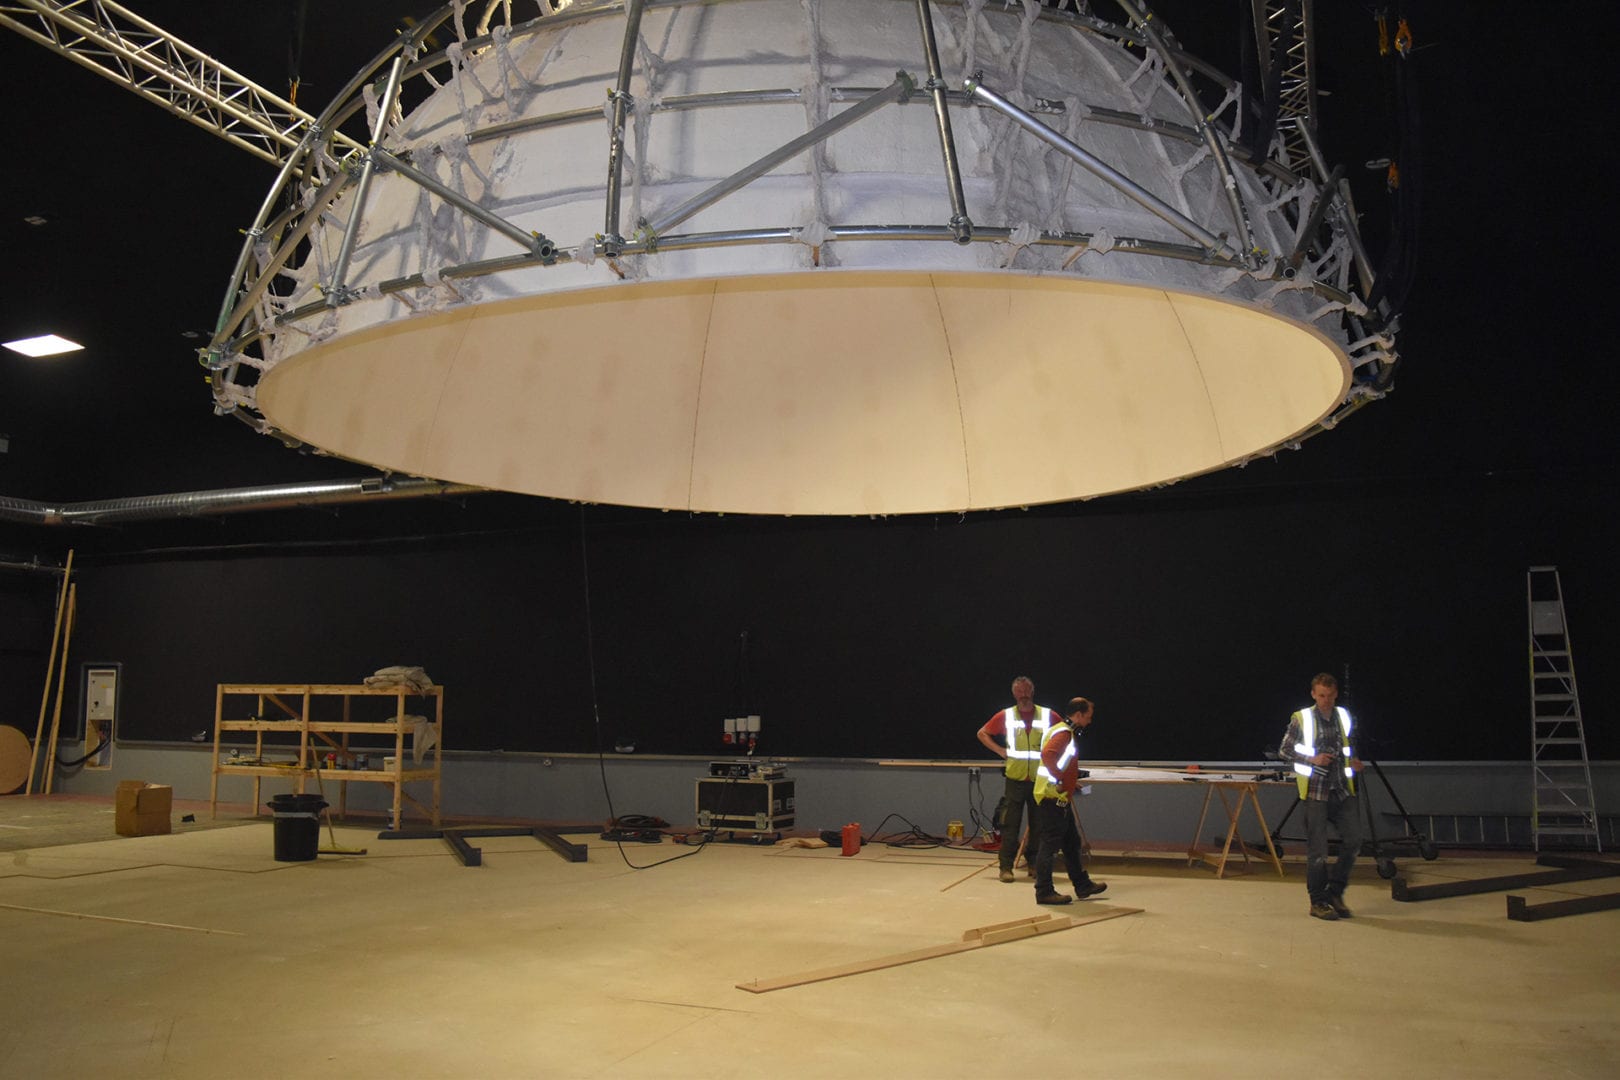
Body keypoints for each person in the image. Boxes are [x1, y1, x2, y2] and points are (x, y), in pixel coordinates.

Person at [1278, 672, 1364, 920]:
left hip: (1342, 789)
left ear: (1335, 695)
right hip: (1316, 792)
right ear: (1313, 694)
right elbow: (1284, 749)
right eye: (1321, 695)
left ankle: (1334, 892)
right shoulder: (1302, 719)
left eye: (1330, 696)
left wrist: (1353, 761)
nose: (1326, 700)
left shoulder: (1343, 717)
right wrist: (1312, 759)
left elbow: (1347, 747)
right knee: (1318, 852)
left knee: (1354, 841)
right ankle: (1318, 902)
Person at [1030, 697, 1108, 904]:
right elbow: (1048, 755)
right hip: (1052, 797)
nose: (1090, 721)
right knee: (1049, 846)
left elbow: (1062, 762)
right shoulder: (1064, 733)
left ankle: (1082, 886)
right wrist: (1061, 781)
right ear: (1079, 714)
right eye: (1088, 717)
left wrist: (1071, 783)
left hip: (1057, 797)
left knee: (1072, 843)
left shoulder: (1061, 730)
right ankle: (1044, 891)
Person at [976, 676, 1054, 883]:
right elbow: (982, 733)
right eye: (1020, 691)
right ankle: (1006, 868)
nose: (1024, 695)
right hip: (1015, 779)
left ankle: (1035, 865)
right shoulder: (1006, 716)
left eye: (1027, 690)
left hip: (1040, 779)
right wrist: (1000, 750)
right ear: (1014, 694)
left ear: (1033, 691)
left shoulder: (1047, 715)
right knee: (1010, 824)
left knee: (1038, 826)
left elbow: (1064, 736)